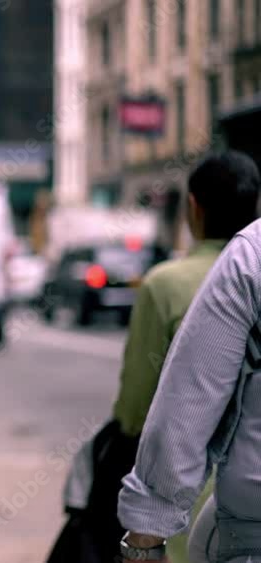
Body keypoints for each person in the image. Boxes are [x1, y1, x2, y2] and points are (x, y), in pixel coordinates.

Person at [116, 151, 261, 563]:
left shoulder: (245, 262)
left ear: (193, 209)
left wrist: (142, 538)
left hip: (209, 512)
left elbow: (167, 405)